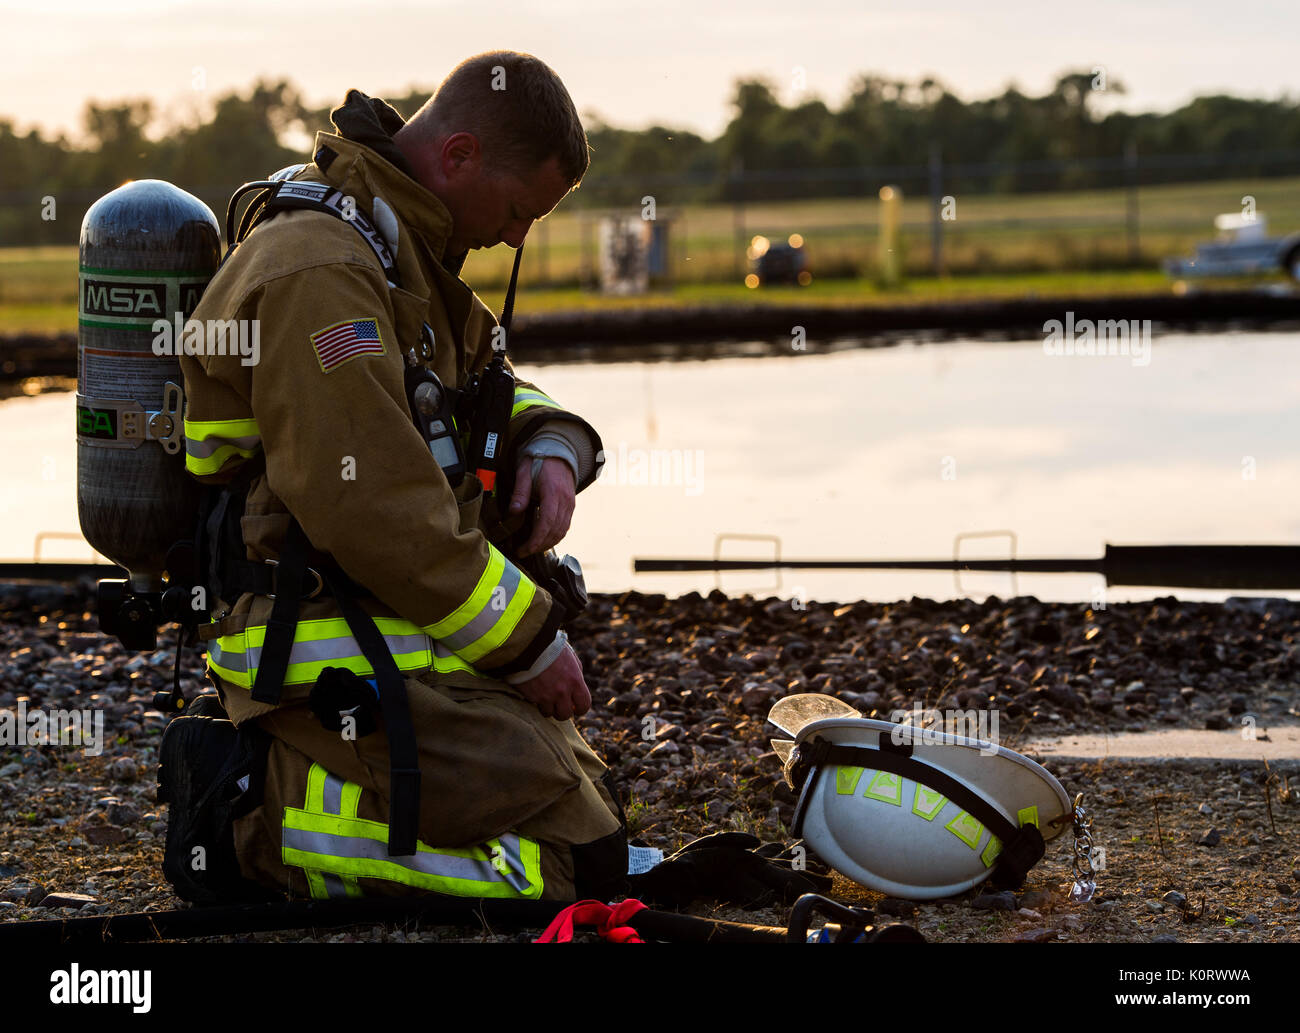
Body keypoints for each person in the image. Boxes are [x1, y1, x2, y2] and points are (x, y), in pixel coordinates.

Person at [174, 51, 627, 903]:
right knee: (571, 867)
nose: (518, 236)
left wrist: (552, 445)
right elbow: (373, 506)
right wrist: (529, 642)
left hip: (385, 609)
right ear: (458, 156)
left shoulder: (397, 252)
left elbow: (471, 388)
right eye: (520, 208)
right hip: (317, 632)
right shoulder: (321, 271)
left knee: (599, 808)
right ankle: (257, 822)